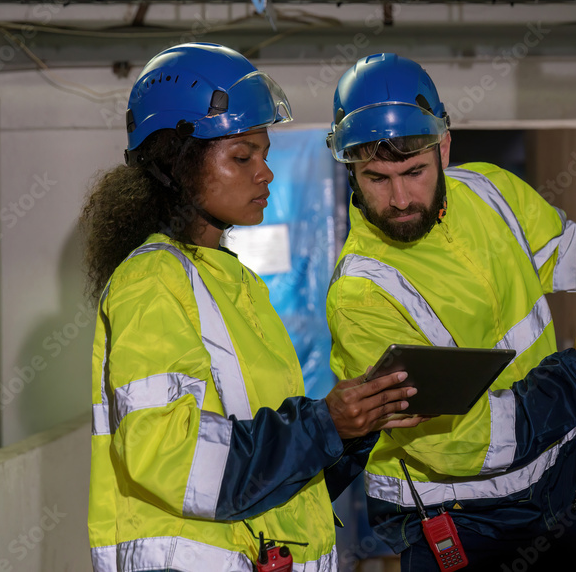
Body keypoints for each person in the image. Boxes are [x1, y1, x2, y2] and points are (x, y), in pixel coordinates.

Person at [81, 43, 426, 572]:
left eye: (264, 154)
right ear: (176, 162)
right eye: (242, 157)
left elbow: (267, 476)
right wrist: (324, 425)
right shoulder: (152, 280)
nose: (265, 173)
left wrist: (355, 428)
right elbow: (171, 458)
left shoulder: (232, 280)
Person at [324, 53, 576, 571]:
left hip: (551, 493)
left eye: (414, 171)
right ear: (351, 171)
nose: (400, 199)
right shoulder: (361, 294)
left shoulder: (488, 190)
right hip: (461, 520)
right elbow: (468, 444)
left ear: (444, 148)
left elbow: (566, 254)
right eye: (377, 178)